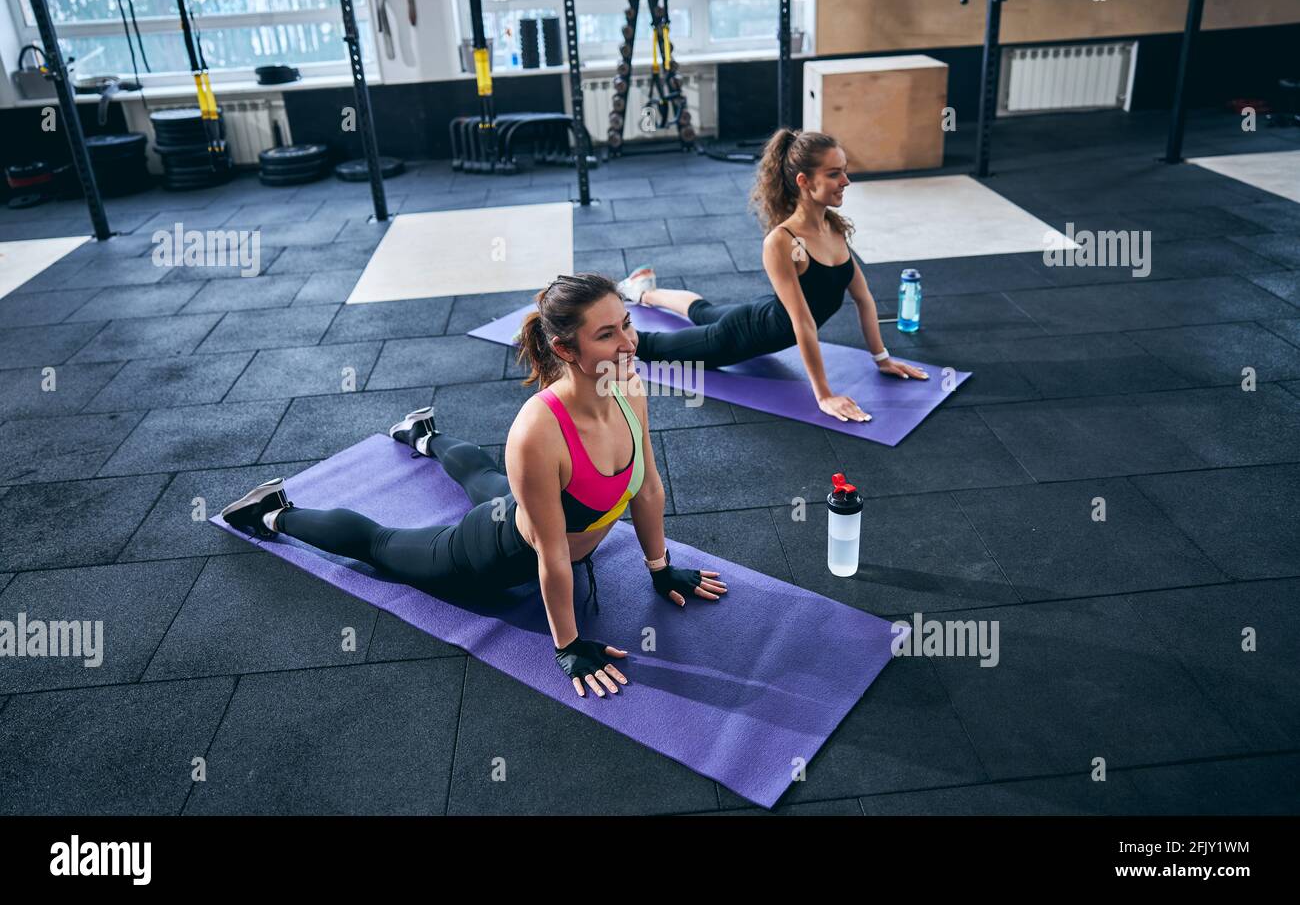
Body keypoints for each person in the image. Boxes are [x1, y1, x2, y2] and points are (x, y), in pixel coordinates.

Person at [220, 274, 727, 700]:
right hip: (493, 552)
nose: (629, 342)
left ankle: (423, 435)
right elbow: (552, 557)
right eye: (607, 334)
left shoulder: (629, 386)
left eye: (628, 324)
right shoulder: (538, 431)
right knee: (380, 545)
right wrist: (569, 646)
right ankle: (272, 512)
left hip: (533, 508)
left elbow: (647, 489)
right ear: (564, 348)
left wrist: (660, 570)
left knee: (485, 479)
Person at [615, 127, 928, 423]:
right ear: (804, 181)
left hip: (762, 313)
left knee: (703, 311)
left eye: (844, 170)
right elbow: (802, 321)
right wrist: (824, 395)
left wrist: (882, 358)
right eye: (834, 174)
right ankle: (614, 322)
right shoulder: (781, 241)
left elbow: (863, 299)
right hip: (741, 337)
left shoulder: (833, 227)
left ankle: (643, 292)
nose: (846, 180)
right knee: (652, 348)